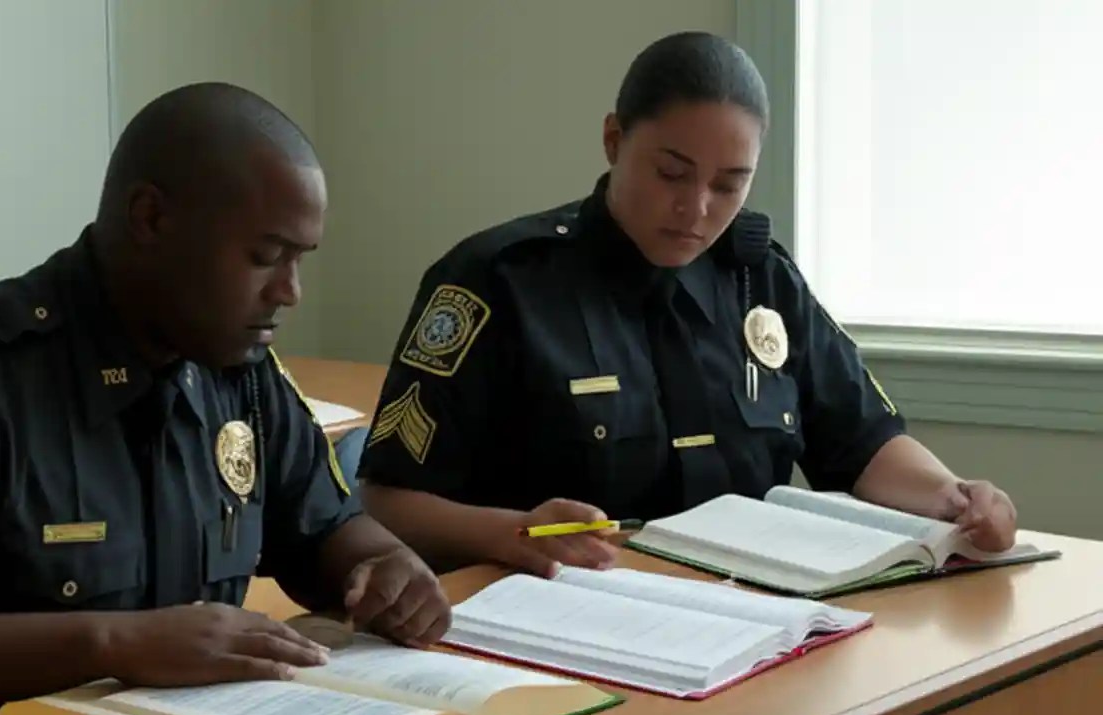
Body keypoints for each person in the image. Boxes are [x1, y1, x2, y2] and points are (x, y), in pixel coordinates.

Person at [0, 82, 450, 715]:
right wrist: (111, 644)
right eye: (265, 256)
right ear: (150, 219)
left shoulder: (238, 368)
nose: (290, 292)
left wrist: (383, 565)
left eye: (299, 259)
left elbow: (322, 526)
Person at [357, 32, 1018, 579]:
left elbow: (862, 438)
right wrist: (508, 534)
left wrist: (952, 498)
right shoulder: (497, 282)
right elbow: (385, 502)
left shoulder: (762, 280)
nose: (697, 210)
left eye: (731, 185)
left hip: (754, 620)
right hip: (561, 615)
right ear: (615, 141)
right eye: (671, 174)